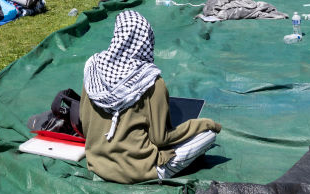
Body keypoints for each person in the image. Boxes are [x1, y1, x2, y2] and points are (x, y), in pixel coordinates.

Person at [81, 11, 221, 184]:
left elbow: (85, 124)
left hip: (97, 164)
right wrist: (203, 124)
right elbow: (160, 139)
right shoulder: (151, 81)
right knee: (208, 135)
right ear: (145, 41)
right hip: (139, 170)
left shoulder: (92, 69)